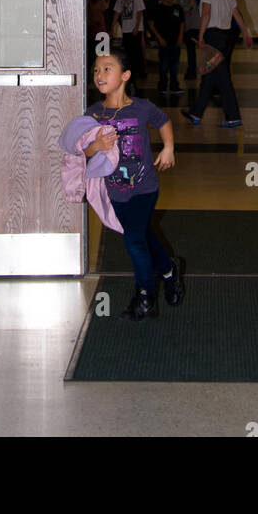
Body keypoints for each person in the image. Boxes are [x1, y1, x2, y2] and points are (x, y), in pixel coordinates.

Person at [83, 53, 184, 320]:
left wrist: (169, 147)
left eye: (107, 69)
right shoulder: (93, 113)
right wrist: (96, 146)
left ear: (125, 75)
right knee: (142, 235)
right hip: (115, 190)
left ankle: (145, 296)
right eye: (96, 71)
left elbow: (163, 121)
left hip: (144, 188)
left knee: (134, 239)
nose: (99, 75)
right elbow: (83, 150)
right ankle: (169, 271)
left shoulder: (141, 107)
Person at [181, 0, 252, 128]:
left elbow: (206, 13)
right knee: (209, 75)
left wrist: (201, 35)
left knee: (222, 78)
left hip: (213, 35)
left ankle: (233, 116)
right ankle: (196, 113)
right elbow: (236, 13)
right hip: (226, 37)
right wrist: (245, 32)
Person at [149, 0, 184, 97]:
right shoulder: (157, 9)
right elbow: (151, 24)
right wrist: (159, 38)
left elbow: (181, 23)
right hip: (164, 41)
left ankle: (174, 85)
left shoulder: (177, 8)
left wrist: (180, 37)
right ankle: (163, 85)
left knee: (175, 65)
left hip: (175, 41)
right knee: (164, 65)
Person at [114, 0, 147, 79]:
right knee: (128, 51)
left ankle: (140, 72)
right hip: (126, 29)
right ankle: (131, 71)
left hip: (135, 28)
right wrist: (112, 26)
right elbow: (117, 12)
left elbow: (139, 12)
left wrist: (137, 26)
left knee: (136, 51)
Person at [177, 0, 201, 80]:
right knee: (191, 51)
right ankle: (192, 70)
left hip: (191, 27)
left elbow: (183, 11)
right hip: (194, 26)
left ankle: (192, 71)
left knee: (191, 51)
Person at [87, 0, 107, 70]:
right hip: (99, 28)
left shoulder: (89, 0)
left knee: (92, 54)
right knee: (100, 54)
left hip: (94, 28)